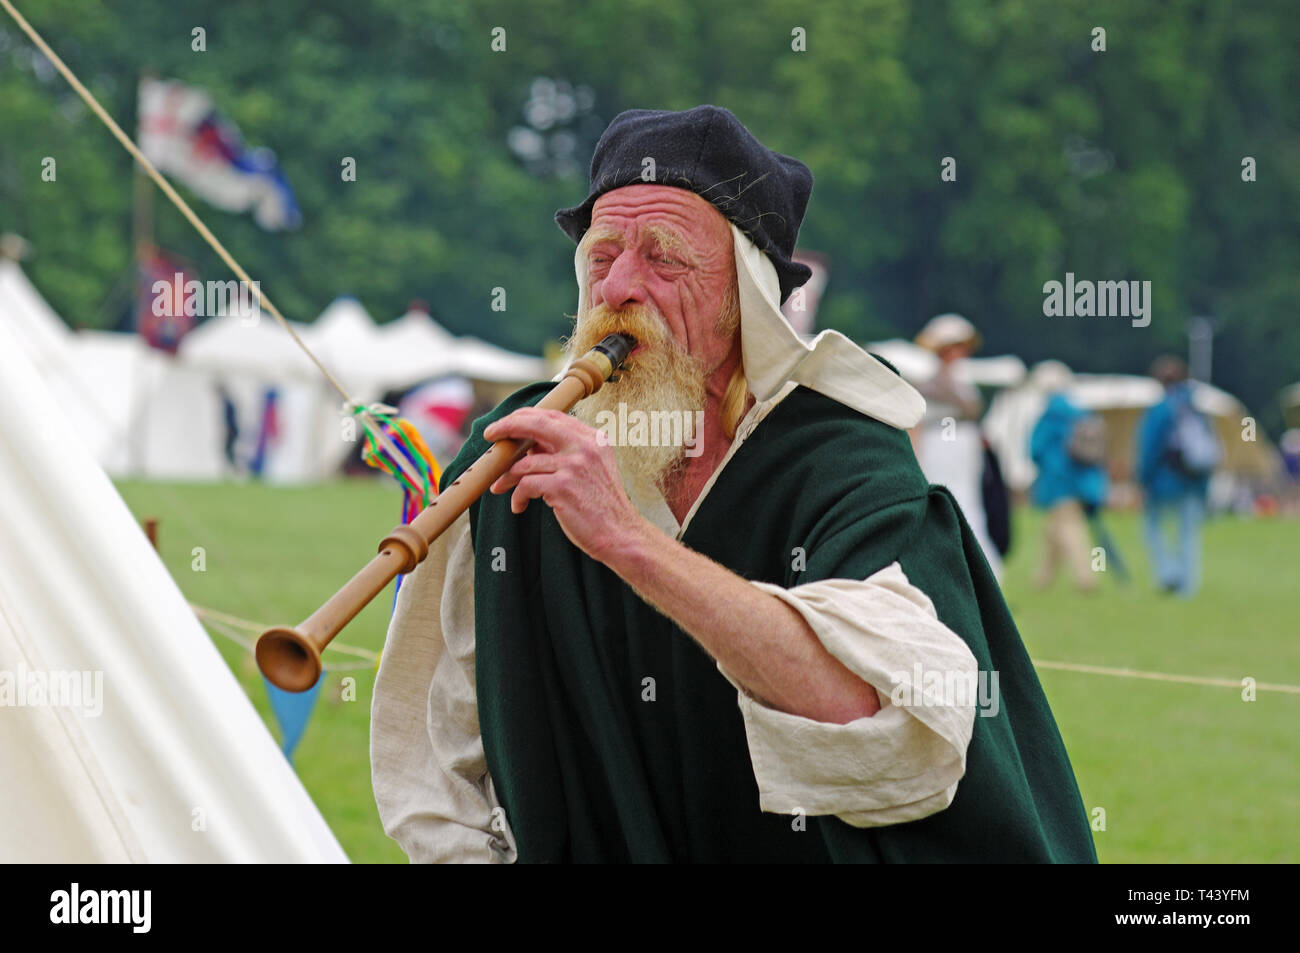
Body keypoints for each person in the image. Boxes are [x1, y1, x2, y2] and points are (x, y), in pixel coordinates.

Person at [370, 105, 1095, 863]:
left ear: (744, 297)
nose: (619, 285)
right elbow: (437, 743)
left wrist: (626, 539)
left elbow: (874, 712)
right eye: (602, 254)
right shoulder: (511, 454)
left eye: (664, 258)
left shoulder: (840, 459)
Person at [911, 314, 1003, 579]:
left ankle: (977, 563)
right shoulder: (932, 380)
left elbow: (972, 411)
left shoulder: (961, 379)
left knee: (968, 499)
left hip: (962, 446)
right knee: (944, 496)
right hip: (940, 446)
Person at [1136, 355, 1217, 597]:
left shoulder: (1160, 410)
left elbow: (1149, 448)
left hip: (1164, 480)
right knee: (1188, 535)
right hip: (1192, 481)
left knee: (1152, 528)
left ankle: (1168, 573)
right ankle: (1187, 588)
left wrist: (1143, 478)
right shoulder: (1196, 408)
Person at [1027, 362, 1108, 592]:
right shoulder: (1080, 412)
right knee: (1053, 531)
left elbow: (1035, 448)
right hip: (1083, 481)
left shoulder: (1050, 415)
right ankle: (1043, 579)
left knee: (1070, 530)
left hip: (1059, 482)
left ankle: (1086, 578)